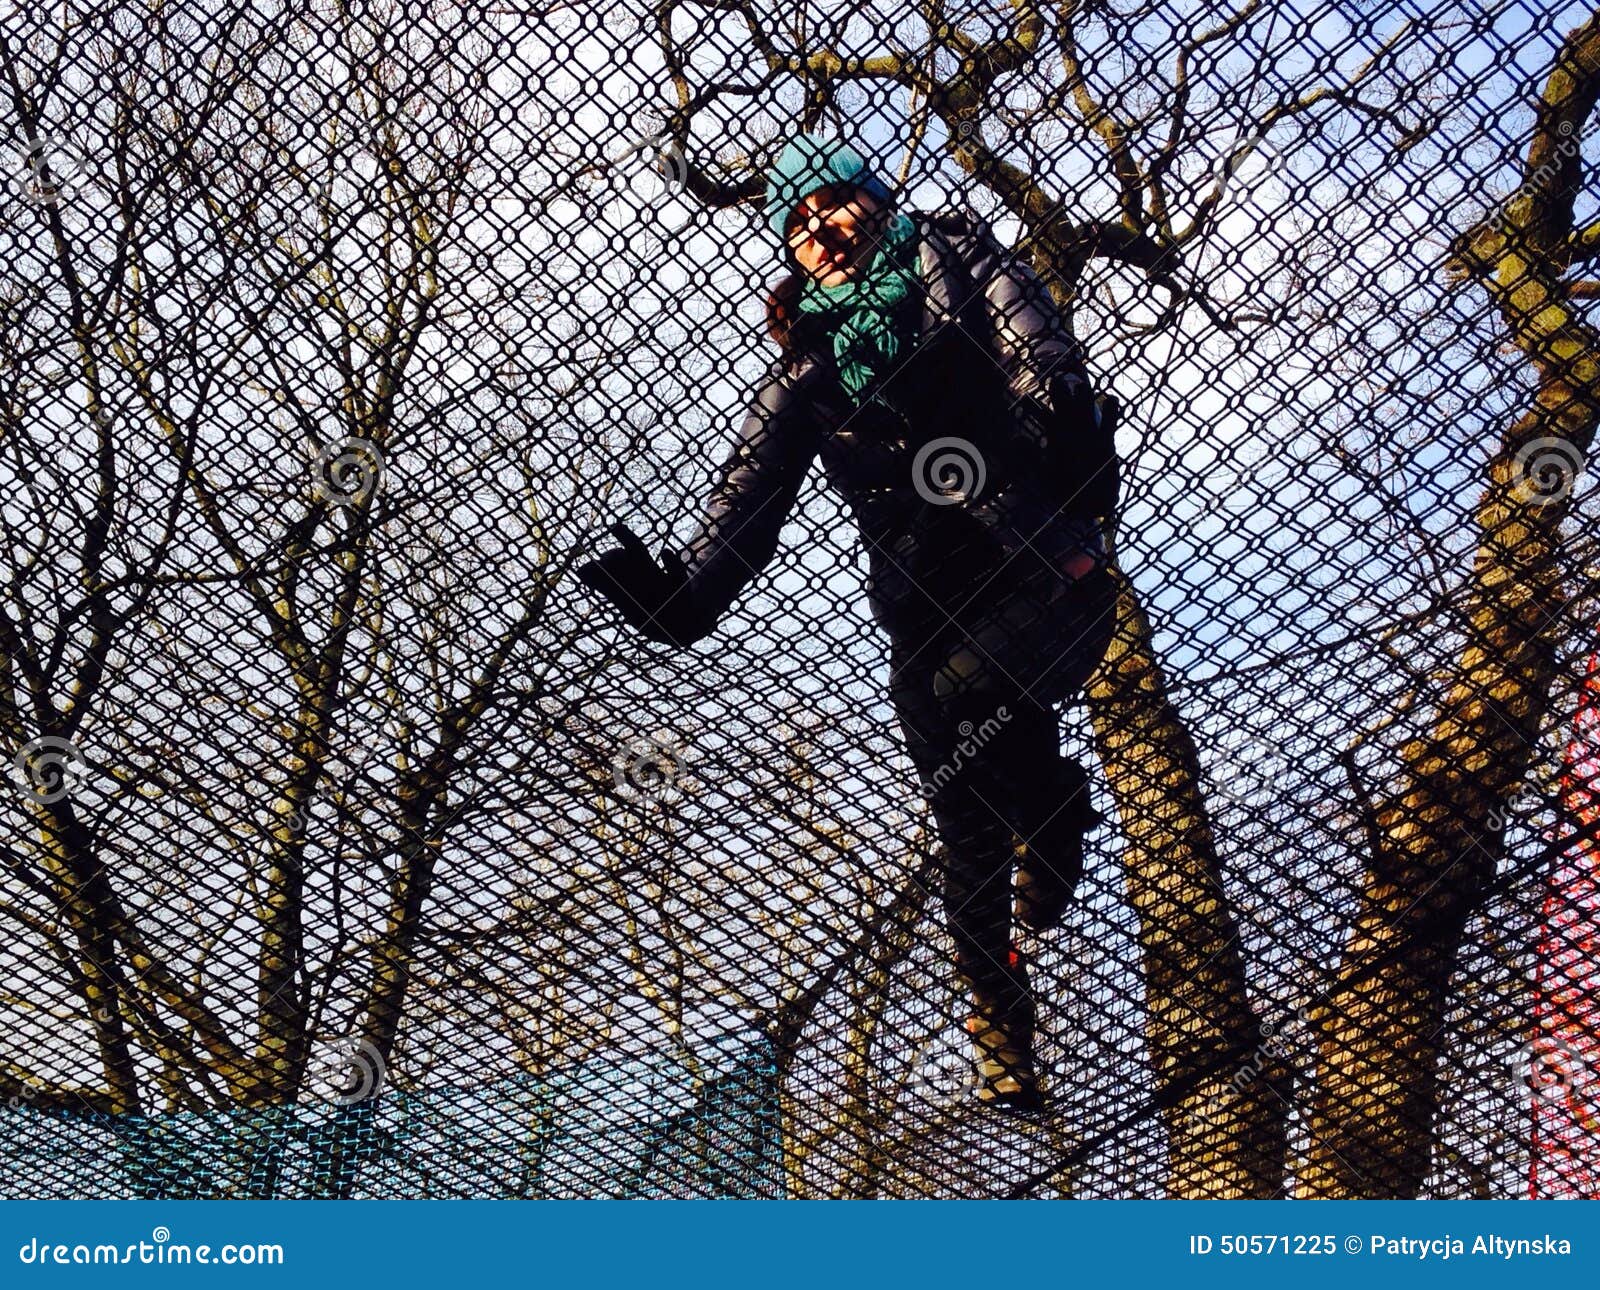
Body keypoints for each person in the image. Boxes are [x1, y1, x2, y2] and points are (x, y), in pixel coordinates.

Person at [577, 132, 1120, 1112]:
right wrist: (681, 605)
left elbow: (1041, 355)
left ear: (874, 203)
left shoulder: (965, 265)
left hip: (1040, 566)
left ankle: (1050, 808)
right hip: (926, 614)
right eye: (794, 225)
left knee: (978, 697)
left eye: (830, 205)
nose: (815, 232)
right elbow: (747, 507)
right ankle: (1002, 1023)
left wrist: (1057, 428)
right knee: (965, 831)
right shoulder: (808, 373)